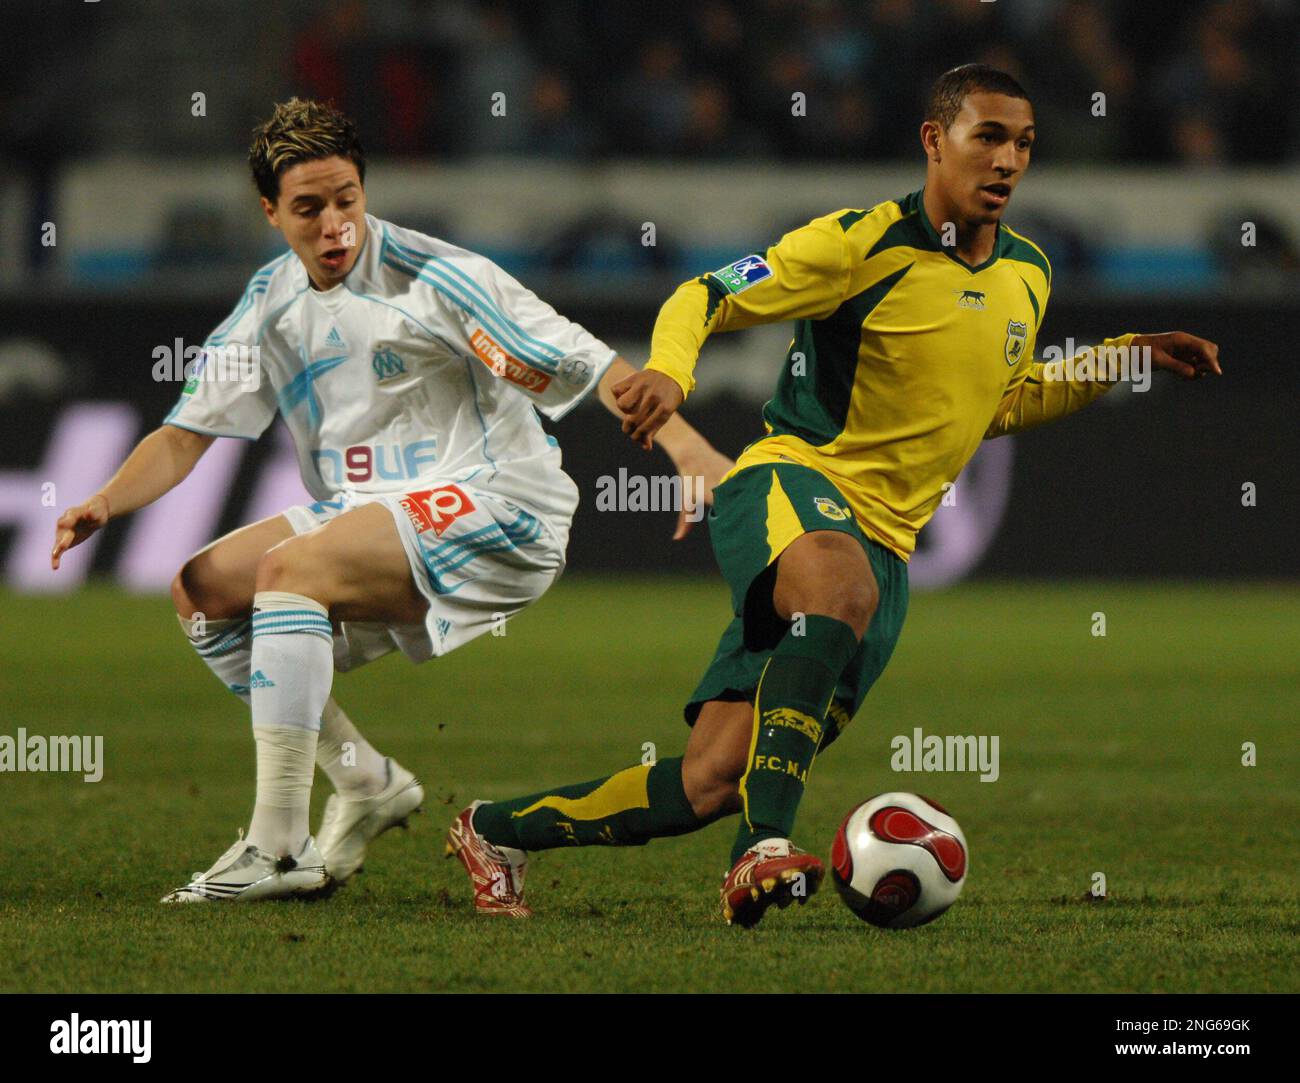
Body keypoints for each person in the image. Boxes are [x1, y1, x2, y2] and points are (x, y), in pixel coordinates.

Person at [446, 64, 1222, 926]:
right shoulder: (856, 244)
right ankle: (761, 851)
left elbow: (996, 402)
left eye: (1025, 144)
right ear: (935, 142)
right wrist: (670, 370)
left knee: (708, 779)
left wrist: (1123, 354)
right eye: (989, 138)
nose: (1008, 161)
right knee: (836, 589)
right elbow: (704, 293)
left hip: (885, 550)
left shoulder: (1028, 275)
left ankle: (493, 830)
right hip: (792, 480)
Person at [50, 97, 731, 903]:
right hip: (377, 508)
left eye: (347, 200)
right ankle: (365, 780)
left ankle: (277, 847)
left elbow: (578, 356)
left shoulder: (433, 278)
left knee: (288, 572)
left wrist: (687, 446)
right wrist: (104, 499)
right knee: (202, 593)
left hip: (502, 504)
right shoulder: (270, 301)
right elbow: (185, 432)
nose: (334, 223)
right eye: (309, 208)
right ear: (271, 212)